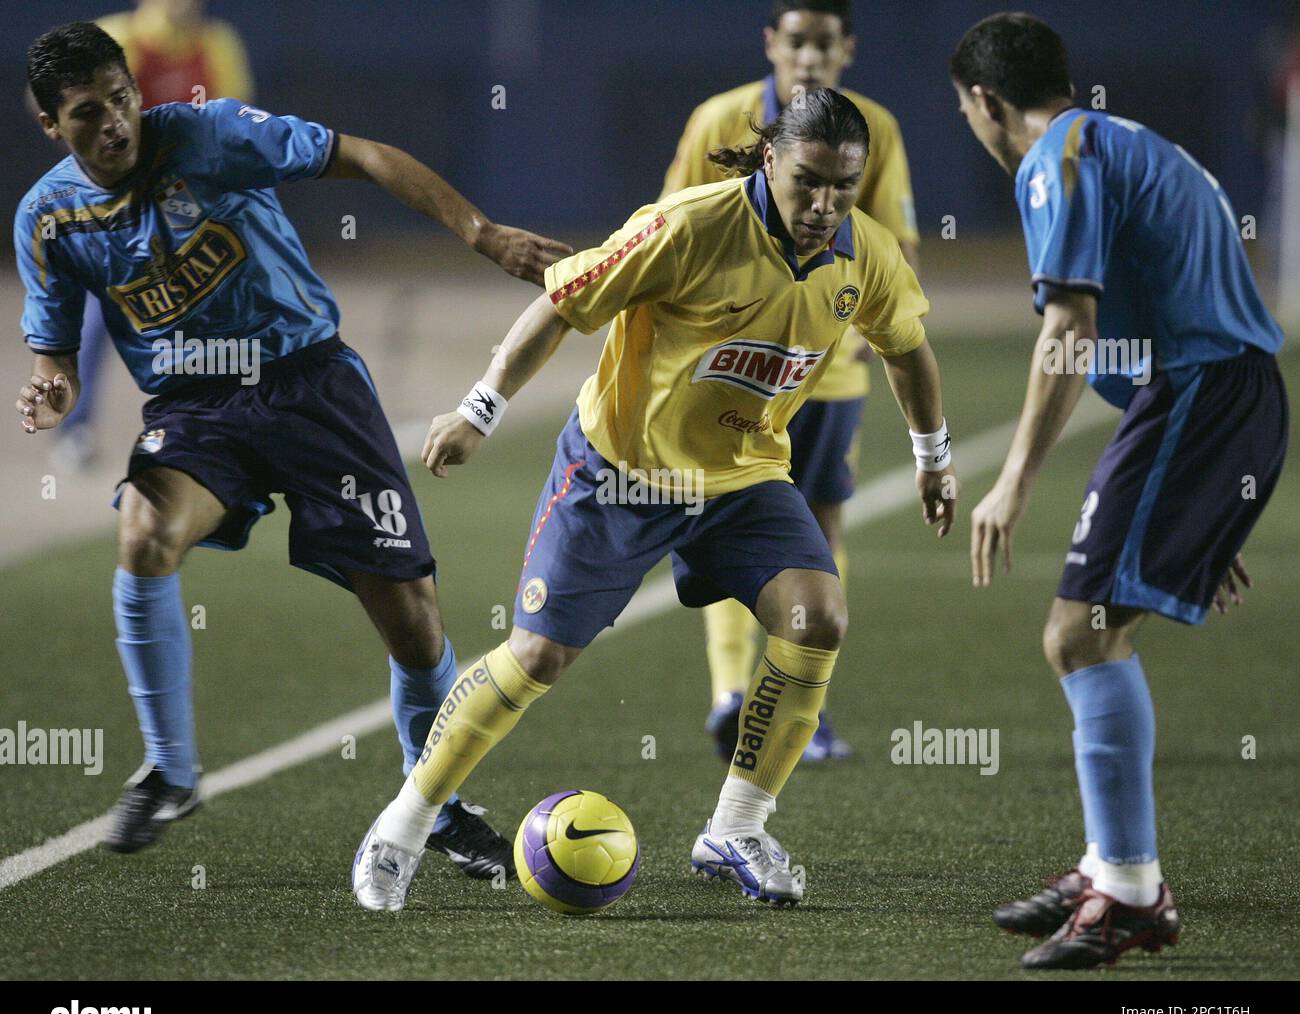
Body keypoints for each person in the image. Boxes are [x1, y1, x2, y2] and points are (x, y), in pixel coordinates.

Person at [352, 88, 957, 912]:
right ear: (771, 159)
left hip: (741, 480)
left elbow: (908, 348)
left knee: (819, 616)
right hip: (621, 471)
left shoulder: (869, 255)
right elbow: (560, 304)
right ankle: (403, 825)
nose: (824, 205)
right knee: (535, 658)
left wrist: (933, 456)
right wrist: (480, 409)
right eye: (808, 180)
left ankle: (737, 827)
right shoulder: (685, 226)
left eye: (844, 186)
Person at [14, 22, 572, 875]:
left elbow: (368, 156)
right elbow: (53, 346)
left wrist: (481, 231)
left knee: (416, 627)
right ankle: (170, 769)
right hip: (195, 405)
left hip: (312, 384)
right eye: (89, 112)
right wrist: (53, 385)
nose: (116, 122)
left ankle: (442, 805)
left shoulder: (208, 135)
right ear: (50, 123)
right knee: (143, 532)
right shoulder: (48, 219)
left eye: (122, 98)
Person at [950, 12, 1288, 969]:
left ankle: (1134, 895)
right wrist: (1209, 499)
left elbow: (1070, 323)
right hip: (1220, 397)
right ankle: (1111, 864)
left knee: (1078, 632)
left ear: (983, 101)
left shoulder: (1058, 158)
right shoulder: (1123, 137)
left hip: (1199, 394)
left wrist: (1012, 480)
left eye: (966, 109)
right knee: (1106, 630)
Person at [661, 0, 920, 763]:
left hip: (824, 372)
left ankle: (805, 705)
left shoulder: (871, 125)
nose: (809, 57)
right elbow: (669, 219)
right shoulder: (721, 117)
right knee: (720, 528)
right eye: (797, 40)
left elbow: (897, 244)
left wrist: (878, 323)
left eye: (825, 44)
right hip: (729, 373)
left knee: (818, 534)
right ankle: (732, 695)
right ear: (772, 42)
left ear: (848, 51)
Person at [54, 0, 258, 471]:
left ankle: (223, 427)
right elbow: (50, 100)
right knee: (100, 313)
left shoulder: (216, 42)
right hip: (118, 199)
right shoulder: (117, 39)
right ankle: (76, 428)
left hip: (185, 199)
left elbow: (232, 122)